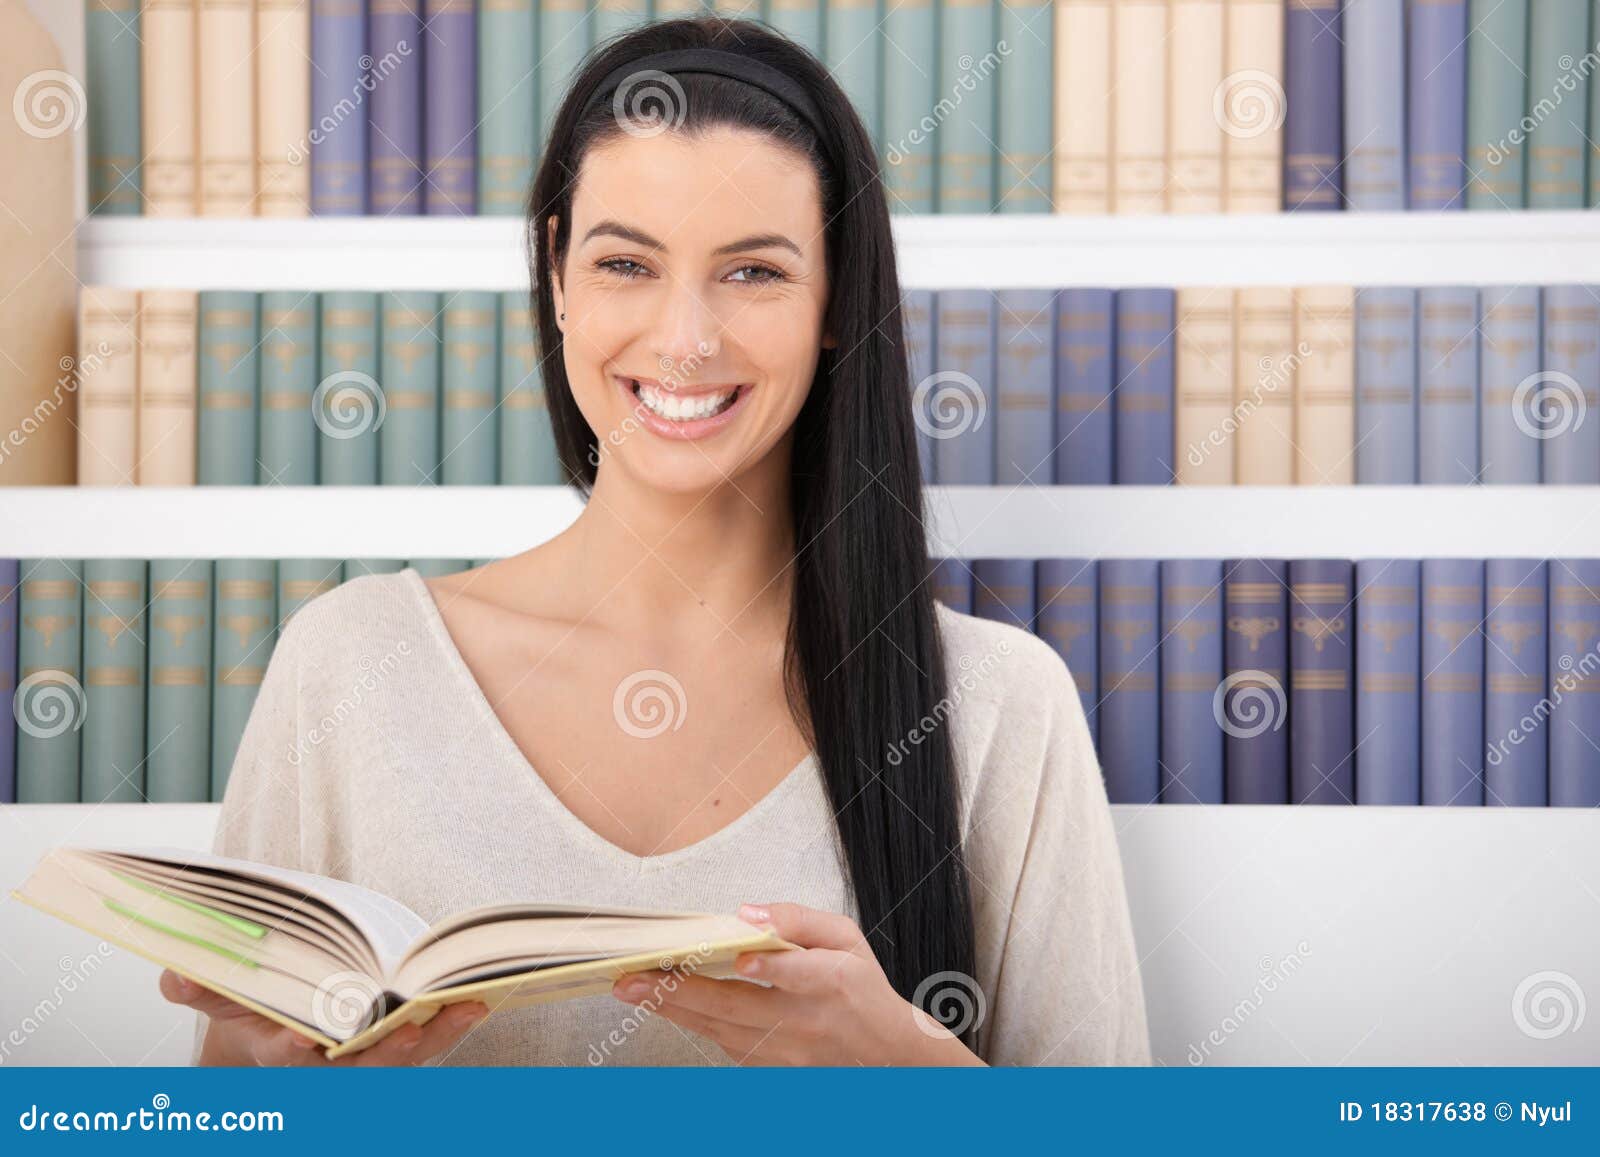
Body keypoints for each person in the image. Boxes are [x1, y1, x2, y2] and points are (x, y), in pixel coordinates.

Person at [164, 15, 1149, 1067]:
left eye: (754, 272)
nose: (685, 339)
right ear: (555, 273)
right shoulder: (350, 663)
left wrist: (912, 1079)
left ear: (834, 296)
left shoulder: (997, 703)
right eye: (626, 262)